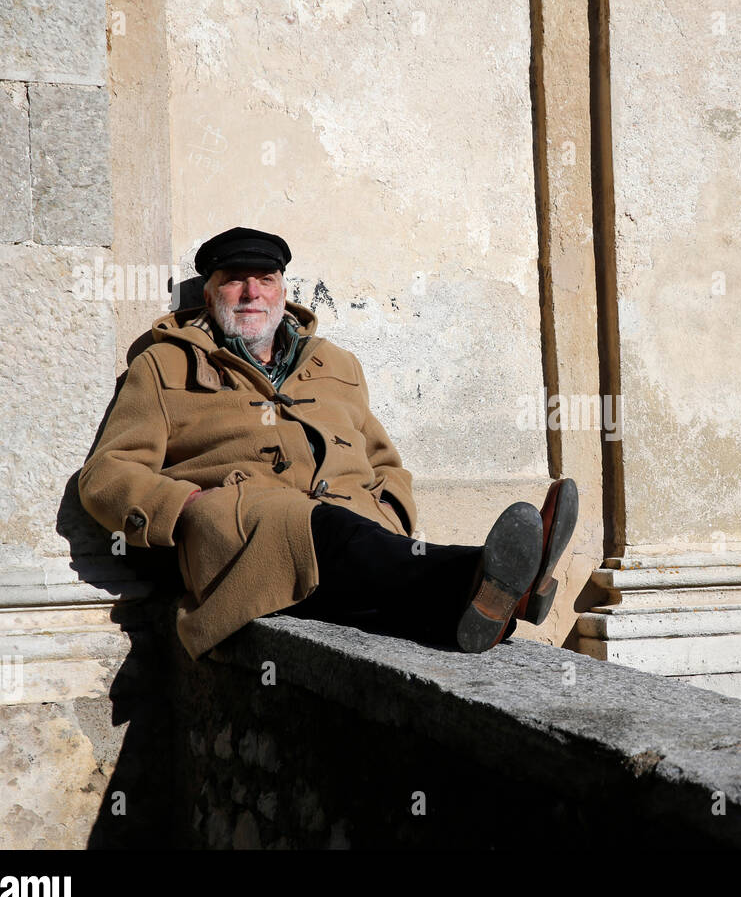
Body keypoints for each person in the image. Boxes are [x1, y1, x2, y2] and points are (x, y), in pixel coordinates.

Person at [78, 226, 577, 660]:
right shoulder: (164, 366)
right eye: (234, 279)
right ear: (209, 296)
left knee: (374, 561)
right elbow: (108, 473)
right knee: (322, 527)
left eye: (265, 279)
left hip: (356, 536)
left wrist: (391, 510)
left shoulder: (336, 364)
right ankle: (491, 575)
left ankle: (493, 605)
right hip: (247, 530)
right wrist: (185, 506)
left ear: (282, 291)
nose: (251, 291)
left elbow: (384, 459)